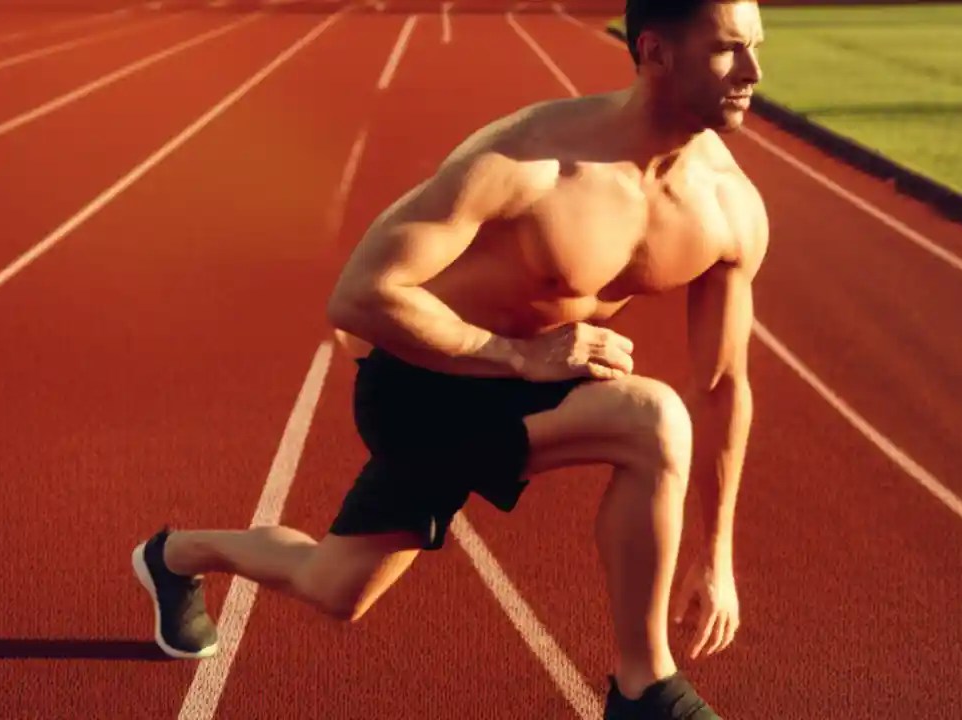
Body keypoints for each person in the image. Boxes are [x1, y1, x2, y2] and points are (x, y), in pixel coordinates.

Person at [131, 0, 766, 717]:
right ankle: (645, 689)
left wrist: (716, 556)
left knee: (338, 584)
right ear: (654, 52)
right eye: (729, 48)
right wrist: (517, 356)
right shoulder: (528, 160)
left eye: (757, 46)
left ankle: (175, 555)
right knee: (649, 419)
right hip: (424, 384)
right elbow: (360, 297)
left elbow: (722, 383)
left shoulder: (730, 206)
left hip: (542, 378)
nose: (753, 71)